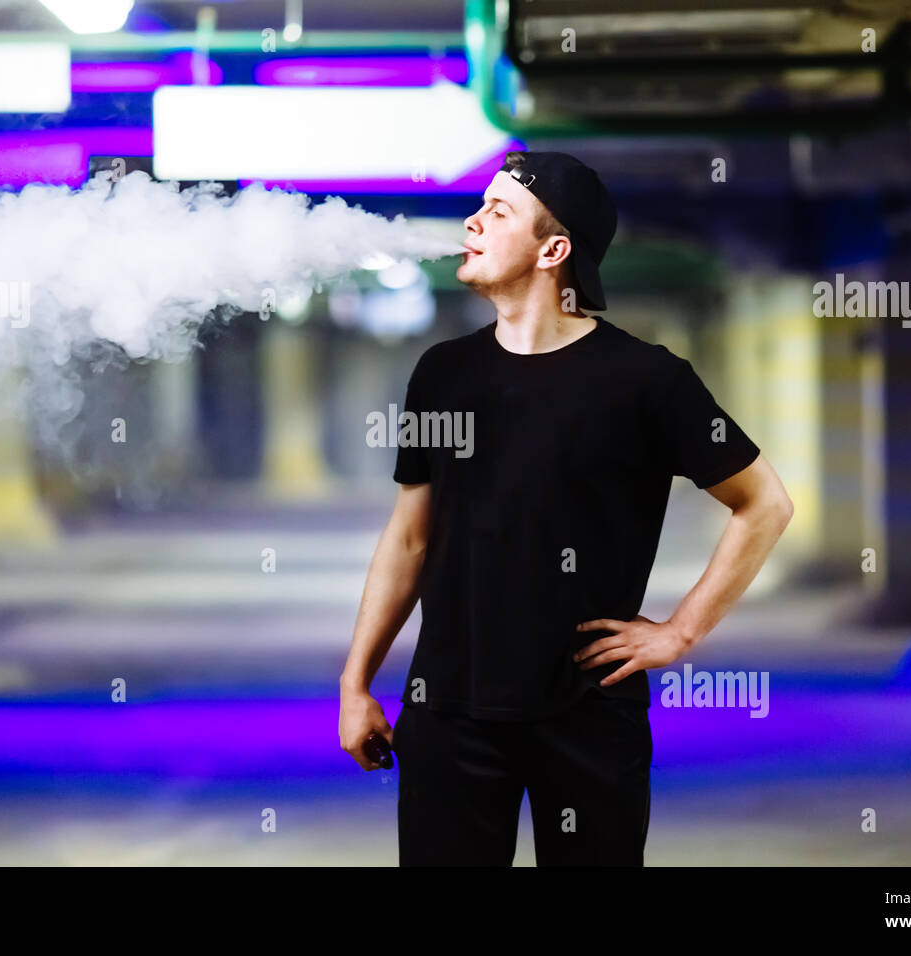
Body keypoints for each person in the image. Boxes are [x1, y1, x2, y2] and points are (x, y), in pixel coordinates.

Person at [339, 149, 793, 866]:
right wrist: (356, 680)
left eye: (498, 211)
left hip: (589, 712)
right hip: (450, 710)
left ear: (554, 250)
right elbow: (408, 540)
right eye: (478, 207)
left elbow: (764, 503)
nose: (472, 222)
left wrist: (679, 633)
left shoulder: (648, 381)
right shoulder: (442, 373)